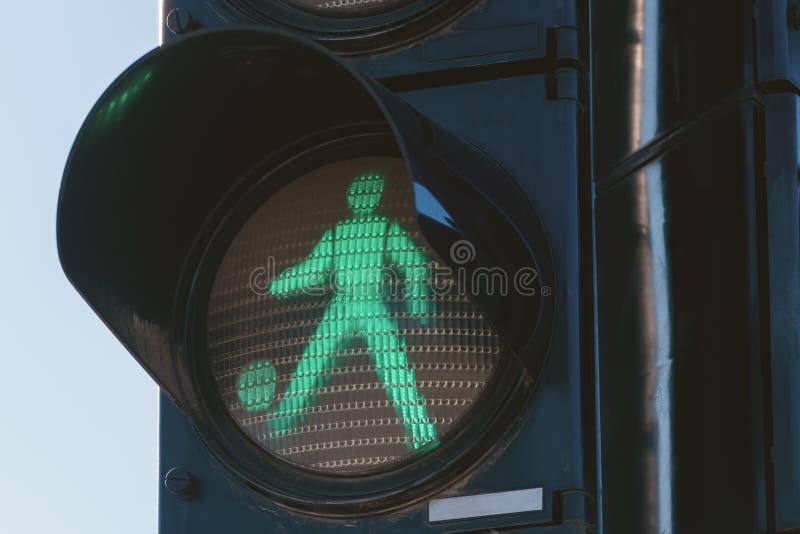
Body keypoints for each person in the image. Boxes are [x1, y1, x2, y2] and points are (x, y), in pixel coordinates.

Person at [238, 173, 437, 450]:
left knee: (394, 368)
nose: (360, 198)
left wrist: (419, 303)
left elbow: (414, 263)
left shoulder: (385, 229)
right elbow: (312, 271)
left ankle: (422, 432)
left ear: (376, 196)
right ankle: (279, 427)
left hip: (368, 305)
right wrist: (276, 285)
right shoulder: (346, 232)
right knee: (312, 365)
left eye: (366, 193)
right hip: (346, 305)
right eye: (357, 192)